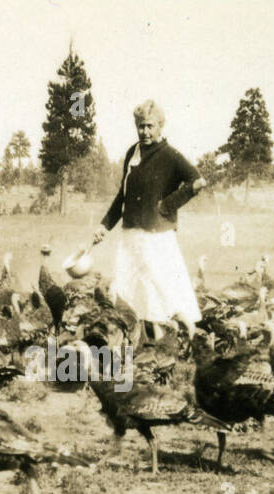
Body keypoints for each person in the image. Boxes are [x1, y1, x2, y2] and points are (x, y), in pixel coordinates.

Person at [93, 100, 208, 326]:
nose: (145, 131)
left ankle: (178, 333)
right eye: (141, 126)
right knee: (132, 289)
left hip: (157, 235)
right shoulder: (132, 153)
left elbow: (198, 181)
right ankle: (143, 337)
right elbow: (122, 196)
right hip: (131, 233)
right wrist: (104, 225)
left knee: (160, 287)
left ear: (160, 126)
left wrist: (167, 205)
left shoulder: (169, 155)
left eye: (150, 126)